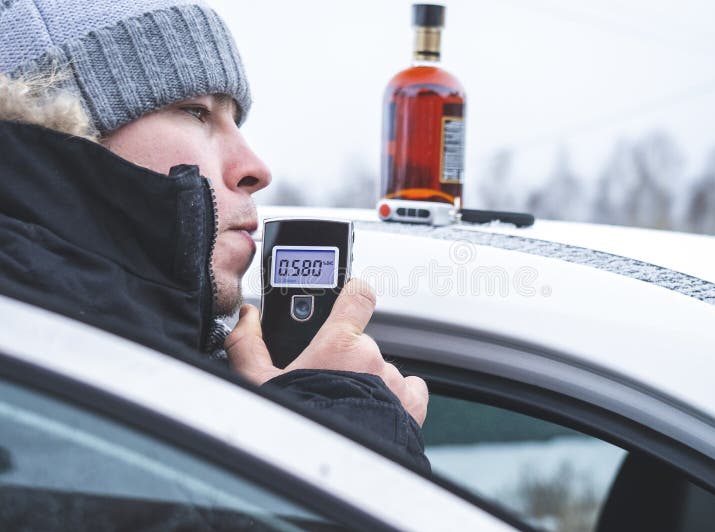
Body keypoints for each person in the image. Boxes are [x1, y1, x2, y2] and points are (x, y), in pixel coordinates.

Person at [0, 0, 429, 469]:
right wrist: (344, 434)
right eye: (196, 112)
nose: (256, 169)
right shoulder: (31, 364)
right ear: (63, 128)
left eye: (235, 122)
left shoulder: (126, 370)